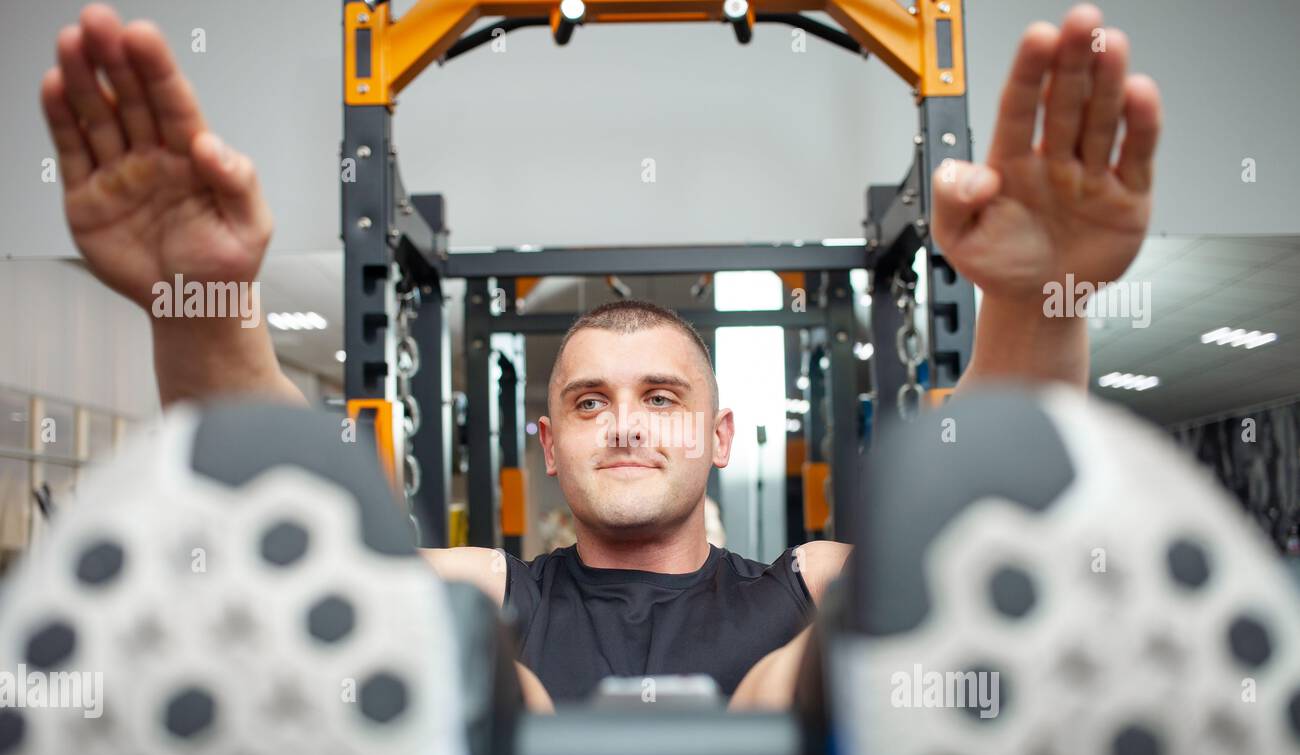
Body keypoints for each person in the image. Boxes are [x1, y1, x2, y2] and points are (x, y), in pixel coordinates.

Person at [39, 2, 1161, 717]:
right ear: (548, 442)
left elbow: (984, 544)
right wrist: (204, 310)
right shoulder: (485, 594)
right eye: (588, 402)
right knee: (493, 686)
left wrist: (1033, 301)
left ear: (720, 435)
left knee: (806, 678)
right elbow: (294, 556)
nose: (624, 422)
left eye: (661, 396)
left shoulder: (812, 586)